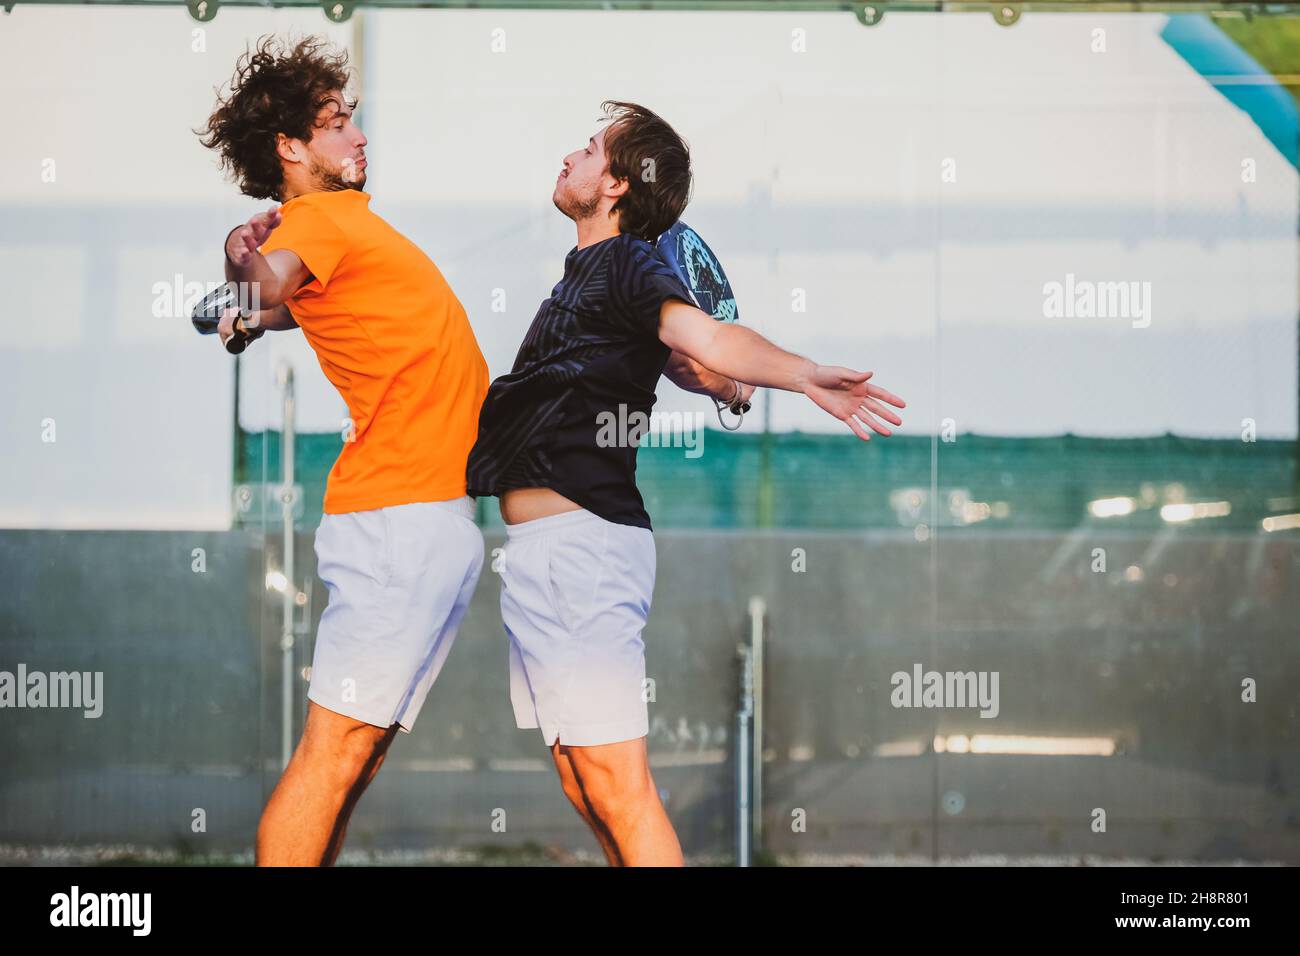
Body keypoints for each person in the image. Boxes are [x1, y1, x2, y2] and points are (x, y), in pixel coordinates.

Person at [466, 101, 906, 866]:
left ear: (618, 184)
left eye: (591, 147)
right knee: (584, 780)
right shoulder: (593, 276)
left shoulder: (632, 261)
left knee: (618, 786)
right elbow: (679, 356)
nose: (570, 154)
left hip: (583, 554)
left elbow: (705, 335)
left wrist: (802, 376)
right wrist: (721, 387)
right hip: (544, 554)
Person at [197, 35, 489, 865]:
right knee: (332, 760)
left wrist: (247, 287)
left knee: (355, 760)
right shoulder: (315, 220)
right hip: (397, 520)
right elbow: (271, 285)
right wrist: (245, 267)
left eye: (352, 120)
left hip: (424, 517)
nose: (358, 136)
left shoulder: (338, 226)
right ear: (291, 148)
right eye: (335, 124)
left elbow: (279, 305)